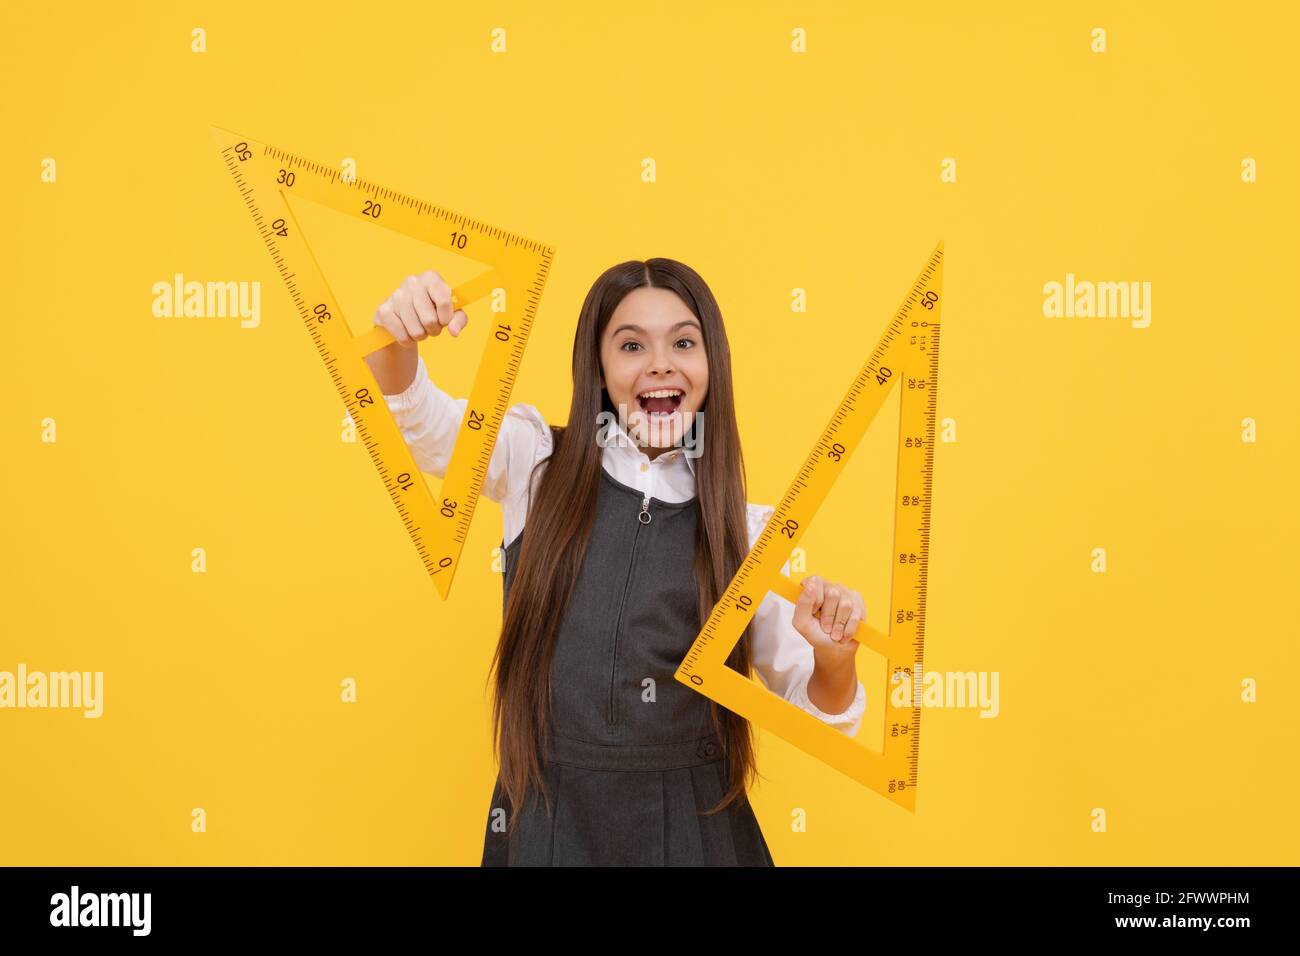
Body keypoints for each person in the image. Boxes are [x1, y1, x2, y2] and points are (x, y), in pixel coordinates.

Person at [365, 259, 867, 866]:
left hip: (697, 833)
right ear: (598, 368)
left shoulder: (744, 531)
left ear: (713, 366)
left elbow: (819, 717)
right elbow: (420, 421)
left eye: (683, 341)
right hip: (551, 824)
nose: (660, 363)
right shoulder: (534, 461)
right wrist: (396, 336)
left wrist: (834, 659)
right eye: (631, 345)